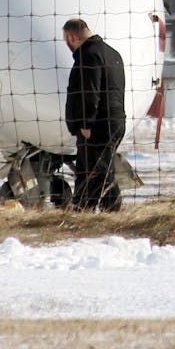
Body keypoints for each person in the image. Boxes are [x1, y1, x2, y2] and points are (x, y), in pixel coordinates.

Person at [63, 17, 127, 212]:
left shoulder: (89, 56)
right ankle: (109, 209)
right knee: (103, 169)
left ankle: (84, 210)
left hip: (97, 124)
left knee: (90, 172)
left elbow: (89, 92)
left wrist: (85, 122)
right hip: (115, 120)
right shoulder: (112, 53)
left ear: (72, 37)